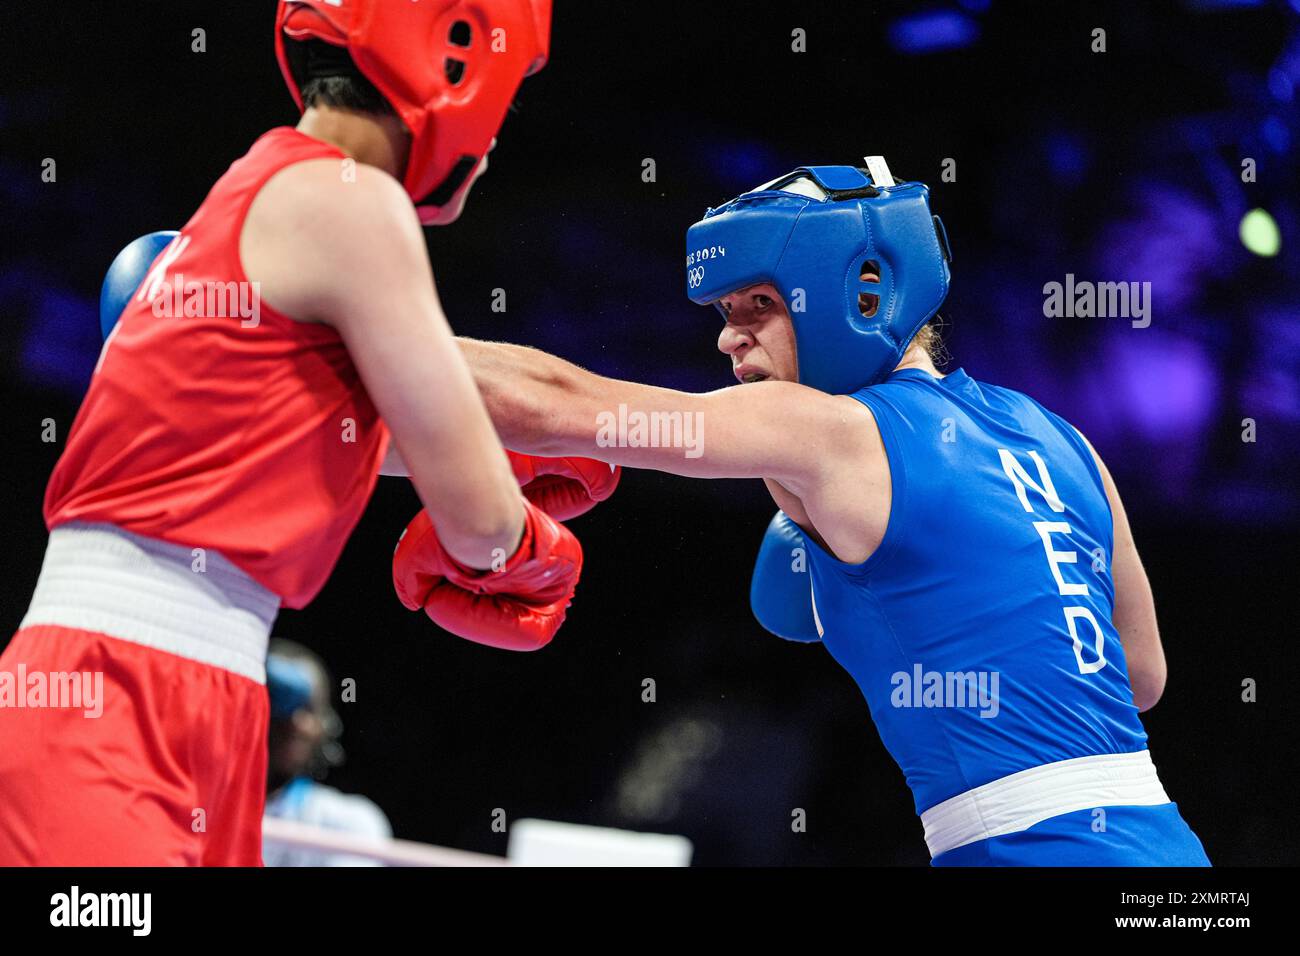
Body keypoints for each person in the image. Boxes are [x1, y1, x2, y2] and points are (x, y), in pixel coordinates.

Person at [432, 159, 1211, 865]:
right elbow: (1140, 676)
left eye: (760, 305)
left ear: (865, 293)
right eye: (724, 312)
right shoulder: (1064, 438)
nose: (730, 340)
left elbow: (558, 401)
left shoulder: (834, 432)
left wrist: (366, 338)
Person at [0, 0, 613, 866]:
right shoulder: (347, 200)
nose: (499, 134)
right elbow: (480, 526)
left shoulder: (260, 194)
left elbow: (310, 442)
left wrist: (485, 482)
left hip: (198, 693)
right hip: (115, 683)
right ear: (456, 56)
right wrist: (527, 543)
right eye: (507, 100)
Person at [262, 639, 391, 867]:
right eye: (282, 703)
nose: (297, 723)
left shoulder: (346, 823)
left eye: (309, 708)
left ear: (326, 723)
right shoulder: (197, 808)